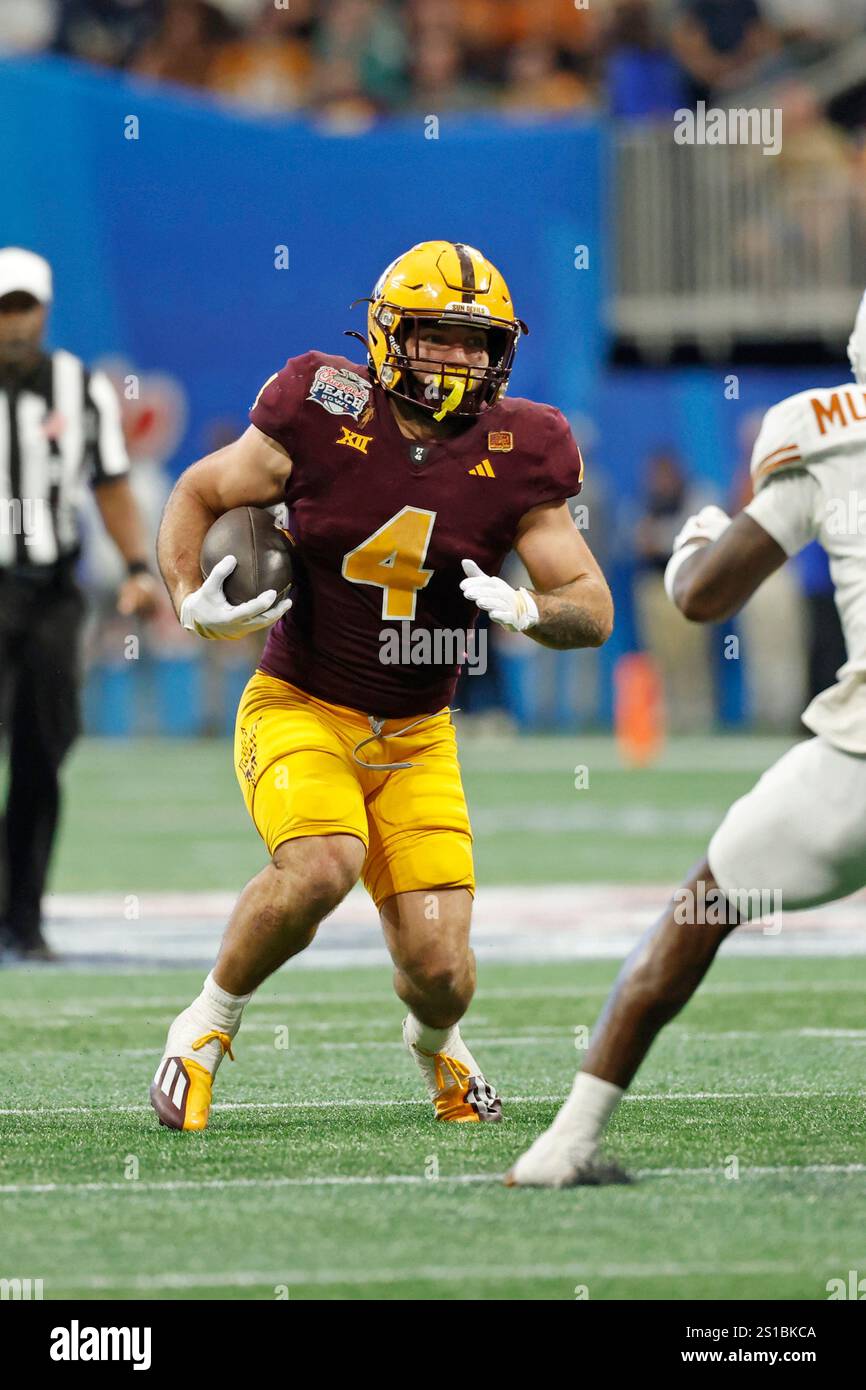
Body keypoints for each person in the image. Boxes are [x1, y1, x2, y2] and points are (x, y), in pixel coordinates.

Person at [150, 240, 613, 1130]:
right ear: (389, 336)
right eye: (441, 338)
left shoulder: (527, 447)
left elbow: (589, 605)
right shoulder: (321, 405)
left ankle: (435, 1042)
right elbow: (200, 492)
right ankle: (205, 1026)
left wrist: (526, 609)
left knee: (444, 975)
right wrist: (186, 598)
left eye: (479, 345)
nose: (463, 361)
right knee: (322, 864)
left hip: (418, 734)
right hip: (302, 703)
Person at [508, 288, 866, 1186]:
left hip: (858, 763)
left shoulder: (823, 426)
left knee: (701, 909)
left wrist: (695, 540)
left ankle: (567, 1144)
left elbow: (705, 597)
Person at [0, 247, 158, 961]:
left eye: (23, 306)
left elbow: (111, 483)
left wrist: (134, 565)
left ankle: (24, 919)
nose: (14, 321)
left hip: (50, 595)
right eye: (4, 307)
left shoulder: (78, 386)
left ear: (45, 309)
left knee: (42, 753)